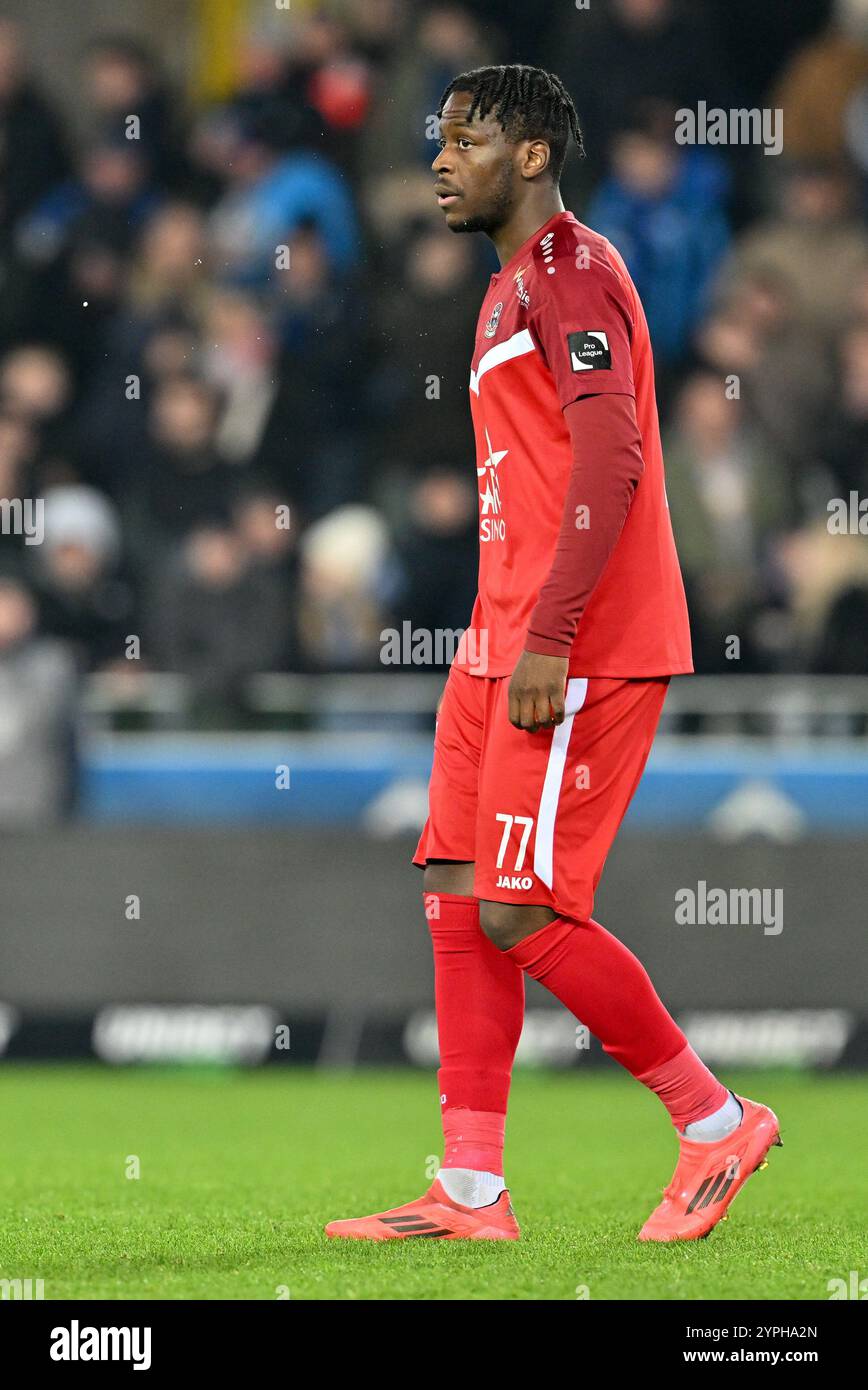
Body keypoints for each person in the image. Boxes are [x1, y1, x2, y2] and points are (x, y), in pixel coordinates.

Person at [324, 64, 781, 1246]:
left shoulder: (574, 272)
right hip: (502, 637)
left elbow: (611, 459)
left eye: (464, 140)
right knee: (457, 889)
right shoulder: (504, 290)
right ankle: (470, 1190)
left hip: (575, 640)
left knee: (523, 910)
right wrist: (500, 635)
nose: (438, 159)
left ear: (530, 155)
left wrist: (548, 634)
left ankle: (713, 1117)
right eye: (436, 139)